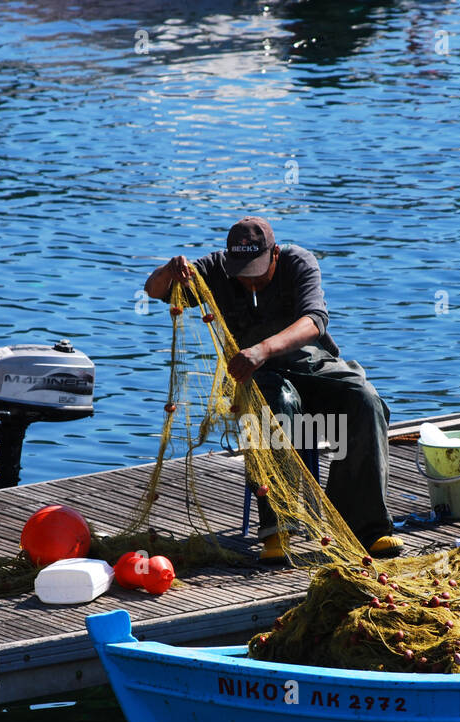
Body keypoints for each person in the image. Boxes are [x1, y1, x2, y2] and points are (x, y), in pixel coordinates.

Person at [144, 216, 402, 561]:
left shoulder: (299, 263)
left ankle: (365, 529)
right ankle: (277, 531)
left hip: (312, 366)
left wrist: (262, 350)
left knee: (365, 399)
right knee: (275, 402)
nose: (250, 282)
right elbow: (153, 290)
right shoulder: (215, 269)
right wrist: (169, 270)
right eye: (242, 273)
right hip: (258, 382)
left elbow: (314, 321)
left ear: (275, 253)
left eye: (258, 272)